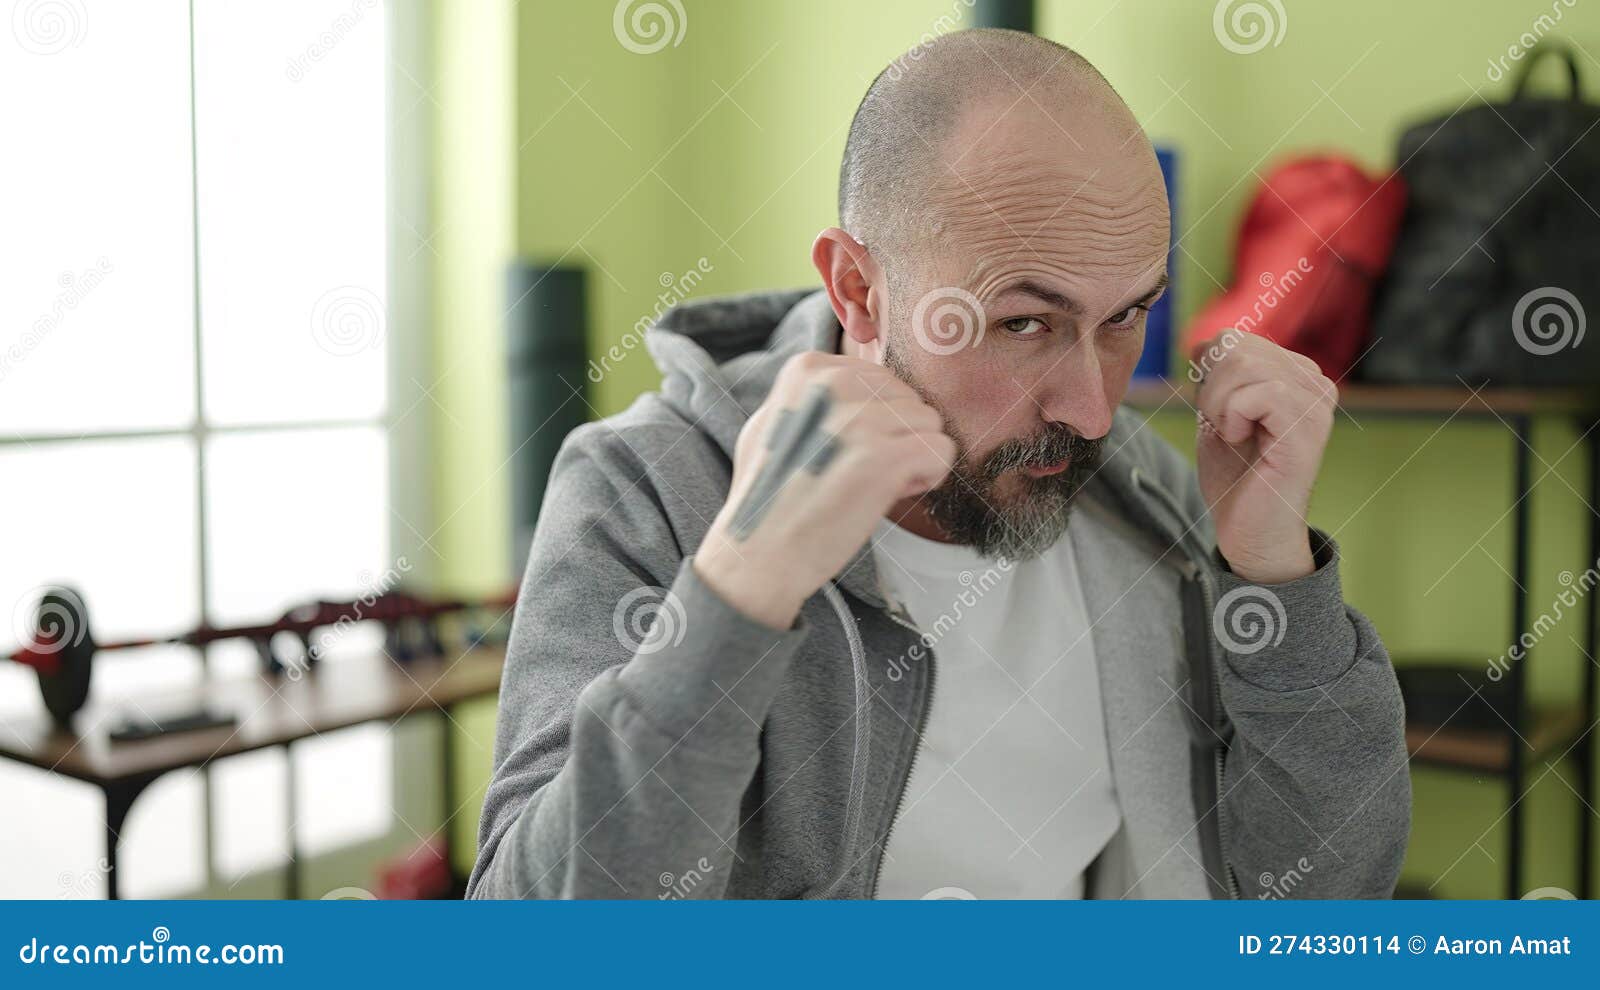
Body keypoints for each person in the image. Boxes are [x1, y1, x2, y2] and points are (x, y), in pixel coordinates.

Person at [467, 28, 1410, 900]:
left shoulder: (1138, 489)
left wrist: (1275, 576)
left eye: (1125, 316)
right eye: (1024, 323)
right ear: (860, 290)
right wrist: (740, 591)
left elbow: (1327, 896)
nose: (1092, 410)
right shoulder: (644, 493)